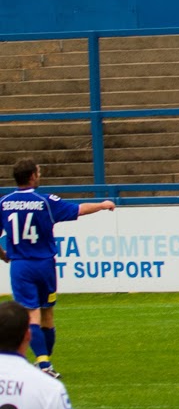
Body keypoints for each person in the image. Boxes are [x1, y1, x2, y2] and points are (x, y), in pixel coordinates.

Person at [0, 160, 116, 378]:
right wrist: (101, 205)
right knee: (47, 314)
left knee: (31, 315)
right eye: (39, 171)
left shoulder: (4, 203)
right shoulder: (45, 201)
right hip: (45, 265)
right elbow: (78, 210)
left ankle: (43, 364)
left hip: (21, 266)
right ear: (33, 176)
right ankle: (45, 364)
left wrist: (4, 255)